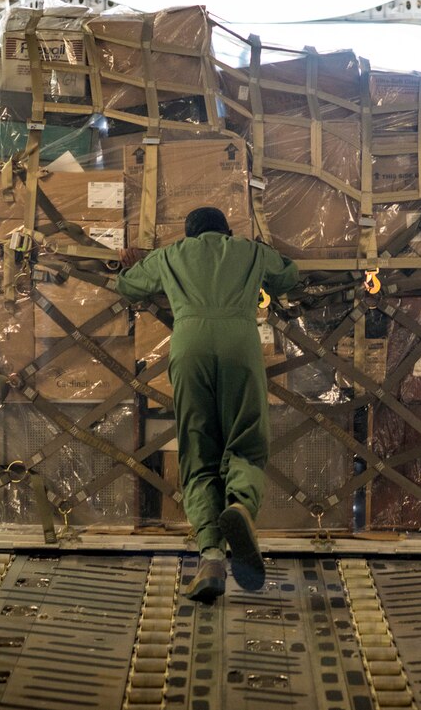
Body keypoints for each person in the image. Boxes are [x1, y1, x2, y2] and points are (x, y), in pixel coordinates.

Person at [117, 207, 299, 601]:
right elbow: (288, 276)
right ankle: (240, 508)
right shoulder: (248, 251)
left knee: (198, 449)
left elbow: (130, 287)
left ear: (189, 232)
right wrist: (271, 256)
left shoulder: (171, 254)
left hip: (189, 345)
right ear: (227, 230)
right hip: (239, 343)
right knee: (245, 440)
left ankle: (211, 556)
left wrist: (129, 264)